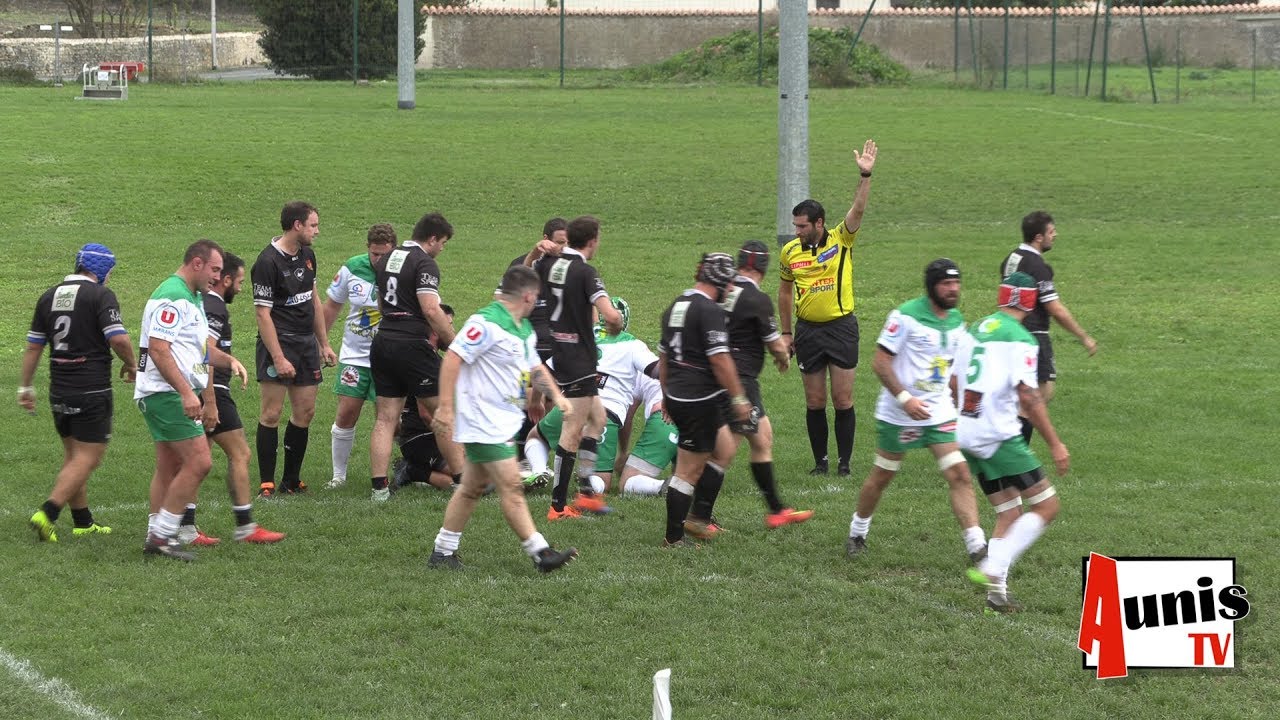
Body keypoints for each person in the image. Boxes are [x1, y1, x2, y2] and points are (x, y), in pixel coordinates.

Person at [427, 265, 579, 573]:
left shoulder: (522, 328)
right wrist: (445, 407)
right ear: (528, 295)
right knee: (511, 485)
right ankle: (541, 553)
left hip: (502, 420)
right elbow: (453, 358)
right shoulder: (485, 323)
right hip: (483, 422)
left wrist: (557, 396)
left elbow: (535, 368)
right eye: (537, 296)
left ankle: (443, 552)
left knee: (470, 488)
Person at [845, 259, 986, 562]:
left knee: (959, 472)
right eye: (947, 284)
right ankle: (858, 531)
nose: (953, 289)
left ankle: (977, 547)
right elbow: (880, 362)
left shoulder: (956, 320)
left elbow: (954, 370)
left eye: (957, 282)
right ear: (932, 286)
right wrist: (905, 399)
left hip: (938, 412)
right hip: (900, 413)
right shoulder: (905, 316)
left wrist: (964, 406)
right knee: (883, 475)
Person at [956, 272, 1070, 614]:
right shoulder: (1021, 339)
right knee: (1048, 506)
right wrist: (1055, 443)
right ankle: (992, 564)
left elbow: (952, 381)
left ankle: (996, 594)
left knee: (1009, 510)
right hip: (997, 434)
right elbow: (1029, 397)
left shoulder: (975, 328)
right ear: (1031, 301)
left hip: (965, 429)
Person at [135, 240, 245, 561]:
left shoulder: (193, 297)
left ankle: (155, 534)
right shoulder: (173, 296)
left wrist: (228, 361)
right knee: (200, 462)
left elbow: (199, 349)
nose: (217, 277)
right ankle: (162, 536)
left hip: (162, 392)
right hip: (166, 392)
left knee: (168, 465)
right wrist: (187, 392)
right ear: (196, 263)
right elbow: (159, 348)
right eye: (214, 269)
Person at [21, 244, 135, 542]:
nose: (110, 277)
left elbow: (34, 345)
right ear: (101, 270)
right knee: (89, 457)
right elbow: (119, 339)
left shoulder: (49, 295)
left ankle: (83, 522)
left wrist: (25, 386)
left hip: (58, 388)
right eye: (109, 271)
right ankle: (48, 512)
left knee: (74, 456)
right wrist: (132, 364)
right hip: (91, 388)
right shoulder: (100, 295)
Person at [778, 139, 878, 477]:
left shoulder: (841, 239)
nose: (797, 231)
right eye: (795, 226)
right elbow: (783, 292)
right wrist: (787, 331)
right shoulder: (790, 252)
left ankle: (845, 463)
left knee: (843, 399)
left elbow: (859, 210)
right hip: (808, 331)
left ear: (819, 223)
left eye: (802, 225)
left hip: (841, 327)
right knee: (814, 401)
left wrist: (865, 175)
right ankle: (820, 462)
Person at [698, 241, 813, 531]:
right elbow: (775, 343)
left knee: (763, 439)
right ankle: (698, 516)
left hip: (718, 374)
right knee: (723, 452)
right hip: (739, 382)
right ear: (764, 267)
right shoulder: (756, 298)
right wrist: (783, 357)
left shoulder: (720, 289)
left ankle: (776, 509)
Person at [184, 252, 286, 545]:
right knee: (238, 454)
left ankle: (183, 527)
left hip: (202, 389)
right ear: (225, 280)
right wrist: (211, 401)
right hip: (211, 390)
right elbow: (204, 353)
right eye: (240, 282)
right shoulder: (214, 306)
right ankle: (244, 527)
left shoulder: (201, 302)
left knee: (194, 460)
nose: (241, 289)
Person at [531, 215, 623, 520]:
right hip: (580, 360)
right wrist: (615, 323)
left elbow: (521, 275)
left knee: (597, 420)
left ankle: (585, 493)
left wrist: (537, 251)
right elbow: (610, 315)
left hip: (560, 354)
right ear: (593, 240)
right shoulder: (586, 272)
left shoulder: (548, 264)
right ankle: (557, 506)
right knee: (571, 431)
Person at [657, 252, 751, 547]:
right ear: (719, 281)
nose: (731, 290)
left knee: (723, 450)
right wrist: (739, 398)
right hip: (698, 398)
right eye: (729, 283)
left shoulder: (677, 304)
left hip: (684, 394)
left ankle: (699, 518)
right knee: (688, 470)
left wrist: (666, 394)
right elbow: (721, 359)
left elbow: (664, 356)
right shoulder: (709, 310)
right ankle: (674, 538)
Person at [368, 212, 463, 502]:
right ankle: (462, 482)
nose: (442, 249)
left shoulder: (387, 258)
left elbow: (382, 303)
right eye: (443, 242)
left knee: (385, 418)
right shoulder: (425, 263)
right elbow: (431, 310)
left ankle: (379, 489)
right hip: (412, 345)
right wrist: (456, 345)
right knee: (444, 413)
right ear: (432, 238)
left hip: (383, 340)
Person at [251, 201, 337, 497]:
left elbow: (313, 300)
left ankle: (291, 479)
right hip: (278, 342)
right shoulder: (266, 263)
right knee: (271, 413)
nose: (317, 230)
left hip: (305, 343)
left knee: (306, 411)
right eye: (313, 225)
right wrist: (278, 356)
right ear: (297, 225)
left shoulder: (308, 256)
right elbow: (262, 315)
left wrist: (323, 343)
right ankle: (266, 482)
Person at [525, 297, 652, 495]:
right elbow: (655, 370)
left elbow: (543, 372)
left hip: (572, 405)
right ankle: (588, 488)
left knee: (536, 436)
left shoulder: (580, 337)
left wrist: (536, 402)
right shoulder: (634, 345)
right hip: (606, 414)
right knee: (602, 478)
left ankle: (540, 469)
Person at [1000, 210, 1098, 445]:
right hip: (1033, 335)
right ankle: (1015, 455)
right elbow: (1054, 308)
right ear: (1038, 237)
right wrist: (1083, 336)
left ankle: (1006, 446)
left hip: (1009, 331)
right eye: (1051, 232)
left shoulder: (1011, 258)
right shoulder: (1038, 265)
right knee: (1039, 397)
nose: (1056, 235)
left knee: (1020, 398)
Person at [323, 223, 397, 489]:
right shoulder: (352, 268)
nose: (378, 260)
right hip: (354, 356)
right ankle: (338, 477)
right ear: (368, 248)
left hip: (389, 358)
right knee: (346, 413)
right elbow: (331, 306)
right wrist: (322, 343)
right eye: (374, 254)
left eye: (384, 255)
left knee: (390, 420)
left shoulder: (404, 271)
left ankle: (395, 471)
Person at [615, 374, 678, 496]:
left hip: (665, 421)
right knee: (683, 480)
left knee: (627, 482)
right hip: (697, 427)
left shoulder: (645, 368)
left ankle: (663, 487)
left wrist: (623, 452)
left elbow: (628, 415)